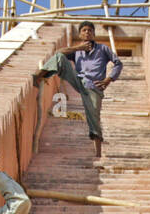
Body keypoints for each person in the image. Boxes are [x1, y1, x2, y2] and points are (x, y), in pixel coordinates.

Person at [33, 21, 122, 161]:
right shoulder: (77, 51)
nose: (87, 33)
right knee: (59, 58)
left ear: (94, 34)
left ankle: (98, 153)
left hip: (94, 86)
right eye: (84, 30)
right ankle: (39, 76)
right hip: (79, 81)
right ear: (80, 34)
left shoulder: (103, 49)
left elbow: (118, 63)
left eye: (90, 31)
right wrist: (77, 48)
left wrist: (108, 79)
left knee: (94, 117)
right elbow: (58, 53)